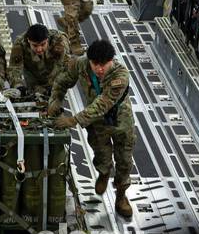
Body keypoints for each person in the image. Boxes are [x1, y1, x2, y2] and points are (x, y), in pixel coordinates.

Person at [44, 38, 135, 218]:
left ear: (112, 61)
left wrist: (74, 120)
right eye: (95, 64)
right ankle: (104, 172)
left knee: (124, 160)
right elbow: (62, 81)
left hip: (120, 122)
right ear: (89, 60)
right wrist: (55, 100)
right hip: (97, 124)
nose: (100, 69)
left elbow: (103, 104)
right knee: (101, 153)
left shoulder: (120, 75)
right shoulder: (81, 64)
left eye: (104, 65)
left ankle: (121, 195)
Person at [9, 23, 70, 100]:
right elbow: (14, 68)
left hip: (53, 74)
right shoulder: (20, 43)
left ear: (47, 39)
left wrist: (57, 87)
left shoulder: (59, 41)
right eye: (35, 45)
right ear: (28, 41)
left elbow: (66, 66)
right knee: (32, 99)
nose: (39, 49)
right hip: (32, 76)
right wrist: (18, 86)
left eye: (43, 44)